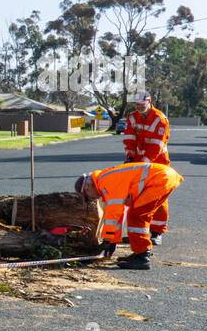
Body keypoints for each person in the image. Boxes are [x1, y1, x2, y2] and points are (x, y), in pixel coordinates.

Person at [75, 161, 184, 270]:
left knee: (136, 216)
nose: (92, 199)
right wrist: (112, 240)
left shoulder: (106, 183)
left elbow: (113, 216)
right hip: (164, 176)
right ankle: (139, 253)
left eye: (87, 196)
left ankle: (142, 257)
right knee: (140, 215)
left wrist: (108, 241)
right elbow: (118, 214)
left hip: (159, 178)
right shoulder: (104, 178)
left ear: (88, 186)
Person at [120, 91, 171, 245]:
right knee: (136, 196)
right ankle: (138, 232)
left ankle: (157, 232)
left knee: (157, 197)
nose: (139, 107)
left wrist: (145, 162)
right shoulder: (132, 117)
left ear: (149, 101)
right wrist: (130, 156)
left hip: (157, 163)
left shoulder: (160, 119)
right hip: (137, 161)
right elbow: (130, 137)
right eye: (136, 104)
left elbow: (157, 145)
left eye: (141, 104)